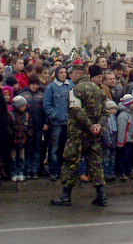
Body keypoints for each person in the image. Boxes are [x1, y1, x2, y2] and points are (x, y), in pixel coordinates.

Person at [51, 64, 109, 207]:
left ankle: (66, 195)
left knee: (70, 162)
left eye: (71, 74)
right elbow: (105, 112)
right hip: (94, 134)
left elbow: (77, 111)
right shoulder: (98, 89)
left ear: (78, 74)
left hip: (78, 133)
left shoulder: (75, 90)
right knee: (96, 163)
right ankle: (101, 195)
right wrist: (98, 125)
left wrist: (89, 126)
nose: (70, 76)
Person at [44, 65, 73, 181]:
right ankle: (54, 171)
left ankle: (64, 170)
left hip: (68, 122)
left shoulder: (71, 85)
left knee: (65, 148)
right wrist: (54, 115)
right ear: (56, 74)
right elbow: (47, 105)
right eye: (61, 72)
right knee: (54, 148)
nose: (63, 74)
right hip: (56, 123)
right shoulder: (51, 87)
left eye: (65, 72)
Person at [10, 95, 33, 182]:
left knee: (21, 157)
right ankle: (13, 173)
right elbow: (9, 127)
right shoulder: (11, 115)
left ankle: (21, 172)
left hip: (23, 140)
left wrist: (29, 135)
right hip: (13, 140)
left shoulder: (27, 116)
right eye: (22, 106)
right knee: (13, 157)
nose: (24, 108)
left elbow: (30, 127)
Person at [116, 94, 133, 181]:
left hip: (130, 139)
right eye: (132, 103)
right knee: (124, 156)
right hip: (125, 140)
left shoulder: (131, 113)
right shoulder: (123, 115)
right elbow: (121, 130)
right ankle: (122, 172)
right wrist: (120, 142)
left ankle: (129, 170)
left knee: (129, 156)